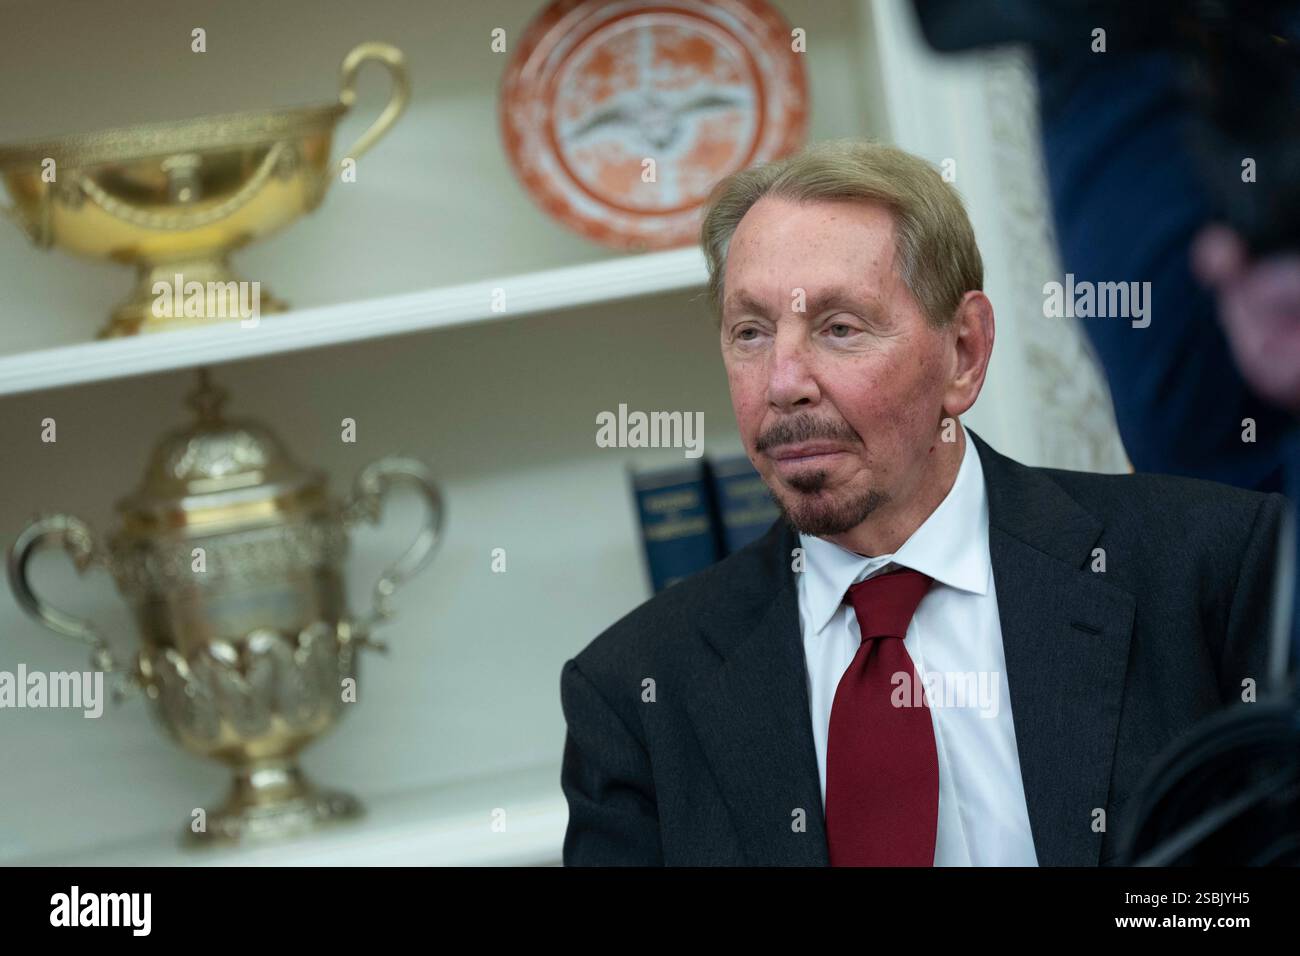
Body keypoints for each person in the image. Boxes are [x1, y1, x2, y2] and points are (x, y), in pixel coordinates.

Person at [558, 139, 1287, 866]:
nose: (782, 382)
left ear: (964, 353)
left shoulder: (1213, 566)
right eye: (750, 333)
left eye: (839, 328)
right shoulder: (632, 691)